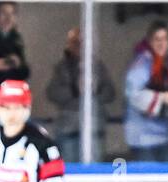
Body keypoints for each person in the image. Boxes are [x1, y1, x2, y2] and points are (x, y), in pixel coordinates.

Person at [46, 26, 116, 163]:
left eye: (83, 42)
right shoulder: (61, 68)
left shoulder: (98, 67)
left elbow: (111, 93)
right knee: (71, 175)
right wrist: (75, 90)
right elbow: (52, 93)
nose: (79, 46)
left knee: (94, 175)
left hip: (93, 130)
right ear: (69, 44)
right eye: (75, 42)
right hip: (68, 131)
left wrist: (95, 92)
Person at [124, 21, 168, 162]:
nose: (161, 43)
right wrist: (162, 97)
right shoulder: (142, 63)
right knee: (146, 180)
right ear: (150, 42)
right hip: (143, 138)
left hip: (166, 135)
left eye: (165, 39)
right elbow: (133, 94)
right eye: (157, 39)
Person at [0, 2, 30, 94]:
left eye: (12, 14)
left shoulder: (16, 40)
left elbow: (24, 73)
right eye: (3, 13)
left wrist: (19, 65)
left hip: (11, 95)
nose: (8, 18)